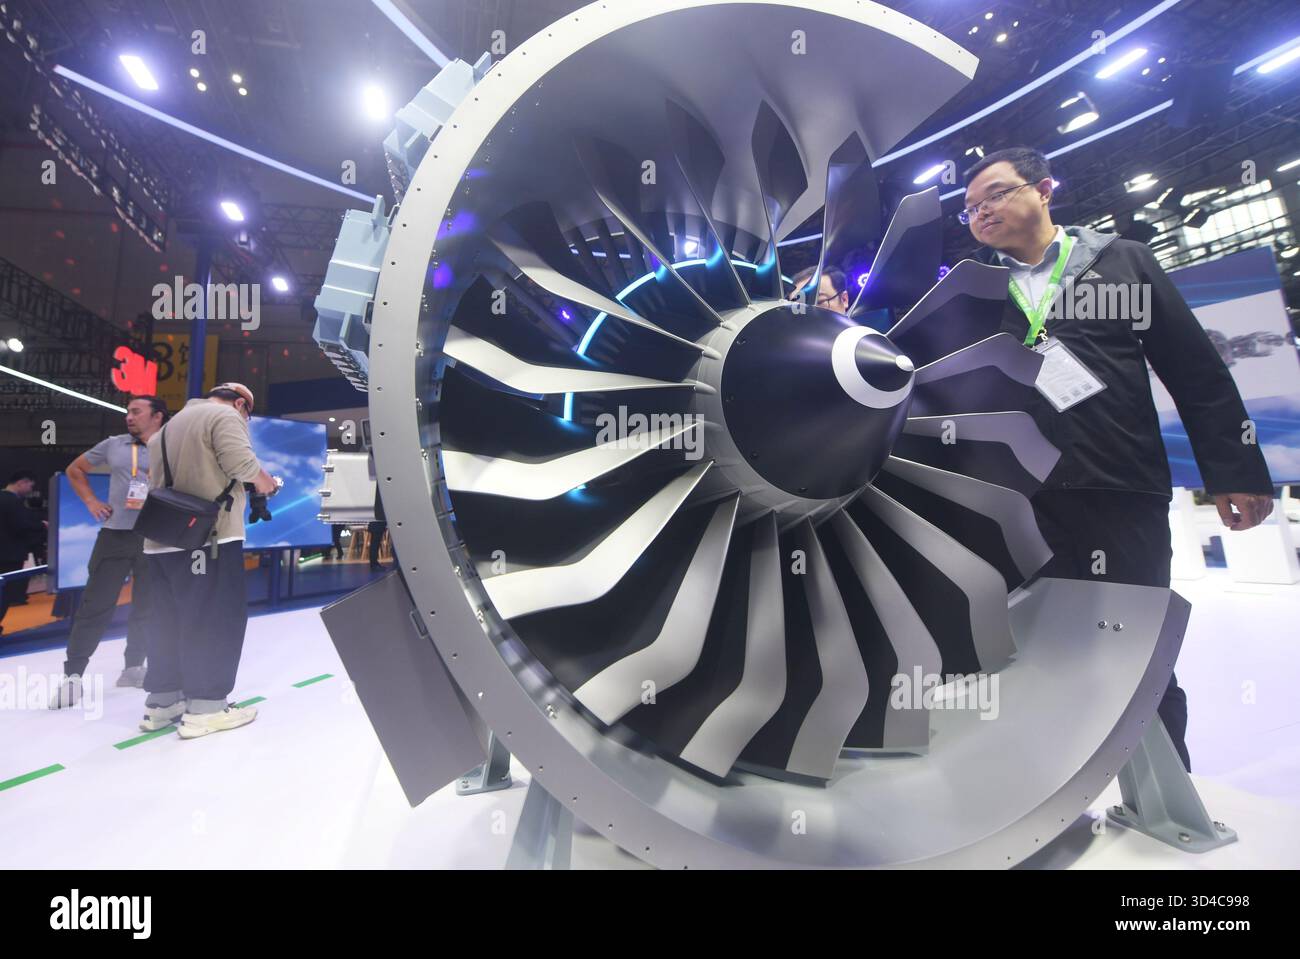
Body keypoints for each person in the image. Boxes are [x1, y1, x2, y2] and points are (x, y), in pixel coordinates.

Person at [961, 146, 1274, 772]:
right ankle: (1041, 790)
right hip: (1019, 500)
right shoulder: (976, 290)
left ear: (1043, 189)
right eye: (969, 207)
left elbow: (1196, 370)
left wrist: (1235, 469)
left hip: (1119, 487)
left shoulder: (1120, 262)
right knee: (1030, 648)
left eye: (994, 194)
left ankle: (1164, 792)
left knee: (1138, 647)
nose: (980, 211)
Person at [139, 383, 278, 739]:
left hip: (161, 539)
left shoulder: (168, 427)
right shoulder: (224, 416)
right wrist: (266, 484)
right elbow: (241, 464)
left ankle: (163, 701)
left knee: (167, 620)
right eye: (247, 413)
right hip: (208, 538)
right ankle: (207, 707)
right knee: (214, 618)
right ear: (240, 404)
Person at [48, 396, 167, 708]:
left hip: (154, 536)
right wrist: (90, 501)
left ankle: (133, 668)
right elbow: (75, 469)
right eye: (128, 411)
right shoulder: (113, 444)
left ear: (157, 416)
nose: (129, 416)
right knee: (95, 607)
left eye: (136, 411)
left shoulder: (171, 443)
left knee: (148, 606)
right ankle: (73, 677)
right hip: (115, 536)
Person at [0, 470, 46, 635]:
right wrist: (41, 526)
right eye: (29, 485)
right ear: (22, 482)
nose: (29, 490)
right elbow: (21, 525)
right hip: (10, 555)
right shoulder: (13, 502)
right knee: (5, 594)